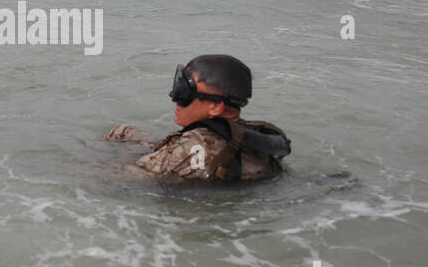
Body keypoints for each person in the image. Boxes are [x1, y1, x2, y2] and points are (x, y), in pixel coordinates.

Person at [105, 54, 290, 180]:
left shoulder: (193, 145)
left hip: (174, 173)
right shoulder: (250, 134)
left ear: (216, 107)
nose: (175, 100)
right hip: (197, 161)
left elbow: (121, 178)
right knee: (124, 132)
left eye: (184, 94)